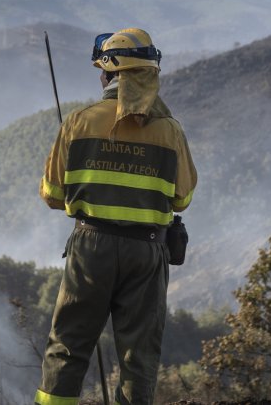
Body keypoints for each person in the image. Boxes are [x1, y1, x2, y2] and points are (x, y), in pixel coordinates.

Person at [35, 28, 197, 405]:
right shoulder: (169, 130)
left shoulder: (78, 122)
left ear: (108, 75)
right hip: (147, 250)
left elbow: (51, 194)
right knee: (138, 357)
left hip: (90, 247)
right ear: (148, 75)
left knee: (68, 346)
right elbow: (182, 198)